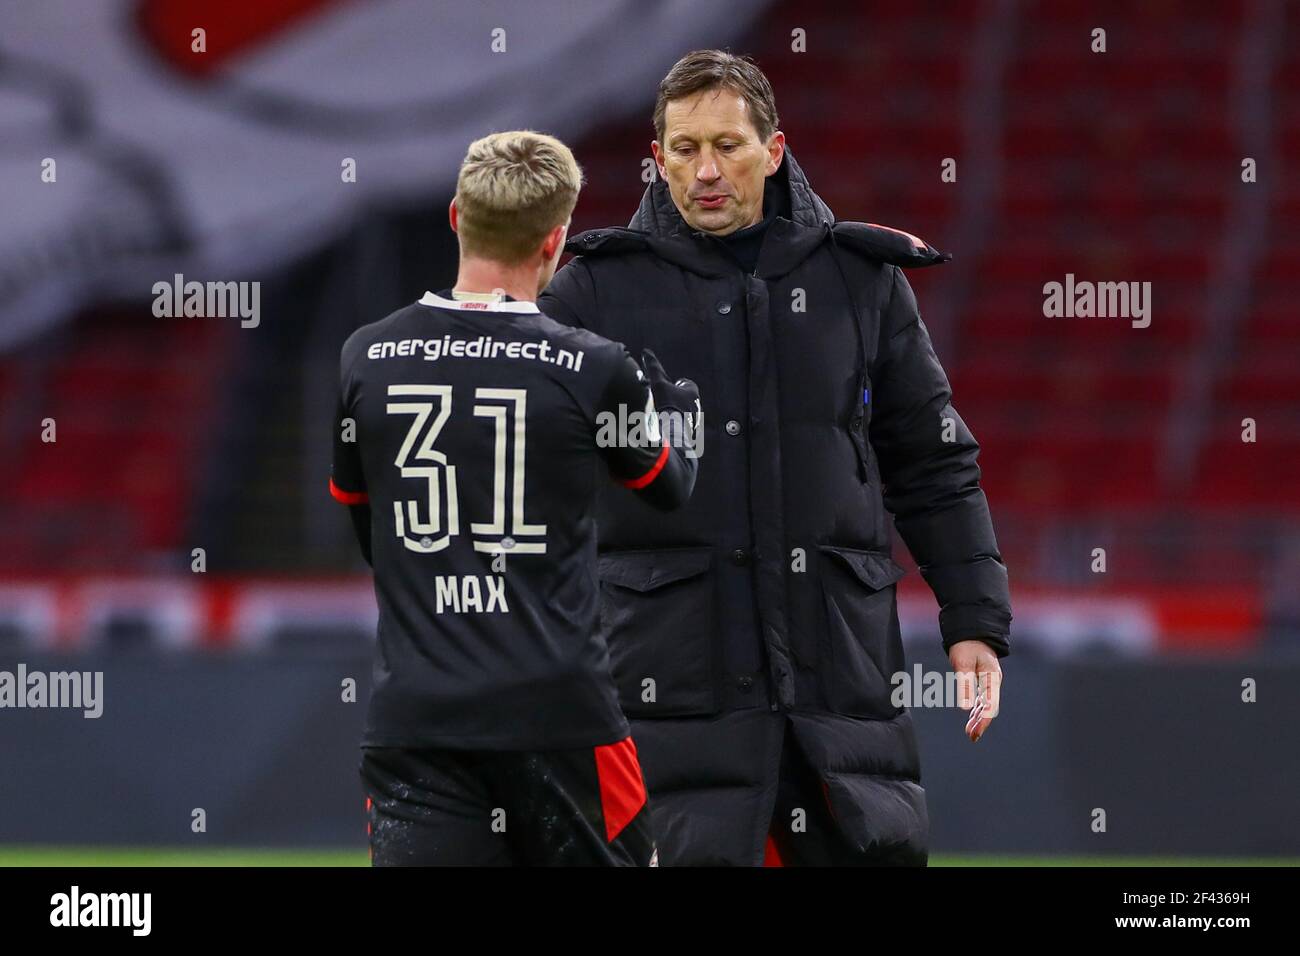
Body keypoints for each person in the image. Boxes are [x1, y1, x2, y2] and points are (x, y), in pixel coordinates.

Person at [539, 50, 1012, 866]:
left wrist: (974, 618)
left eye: (728, 145)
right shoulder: (592, 293)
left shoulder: (860, 281)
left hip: (836, 690)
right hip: (669, 690)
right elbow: (530, 472)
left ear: (776, 149)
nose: (706, 171)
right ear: (656, 160)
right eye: (683, 150)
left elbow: (934, 463)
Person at [330, 130, 701, 865]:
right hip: (562, 719)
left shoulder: (365, 357)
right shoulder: (595, 368)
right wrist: (679, 407)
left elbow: (371, 536)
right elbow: (668, 486)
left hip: (419, 720)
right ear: (555, 240)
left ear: (455, 216)